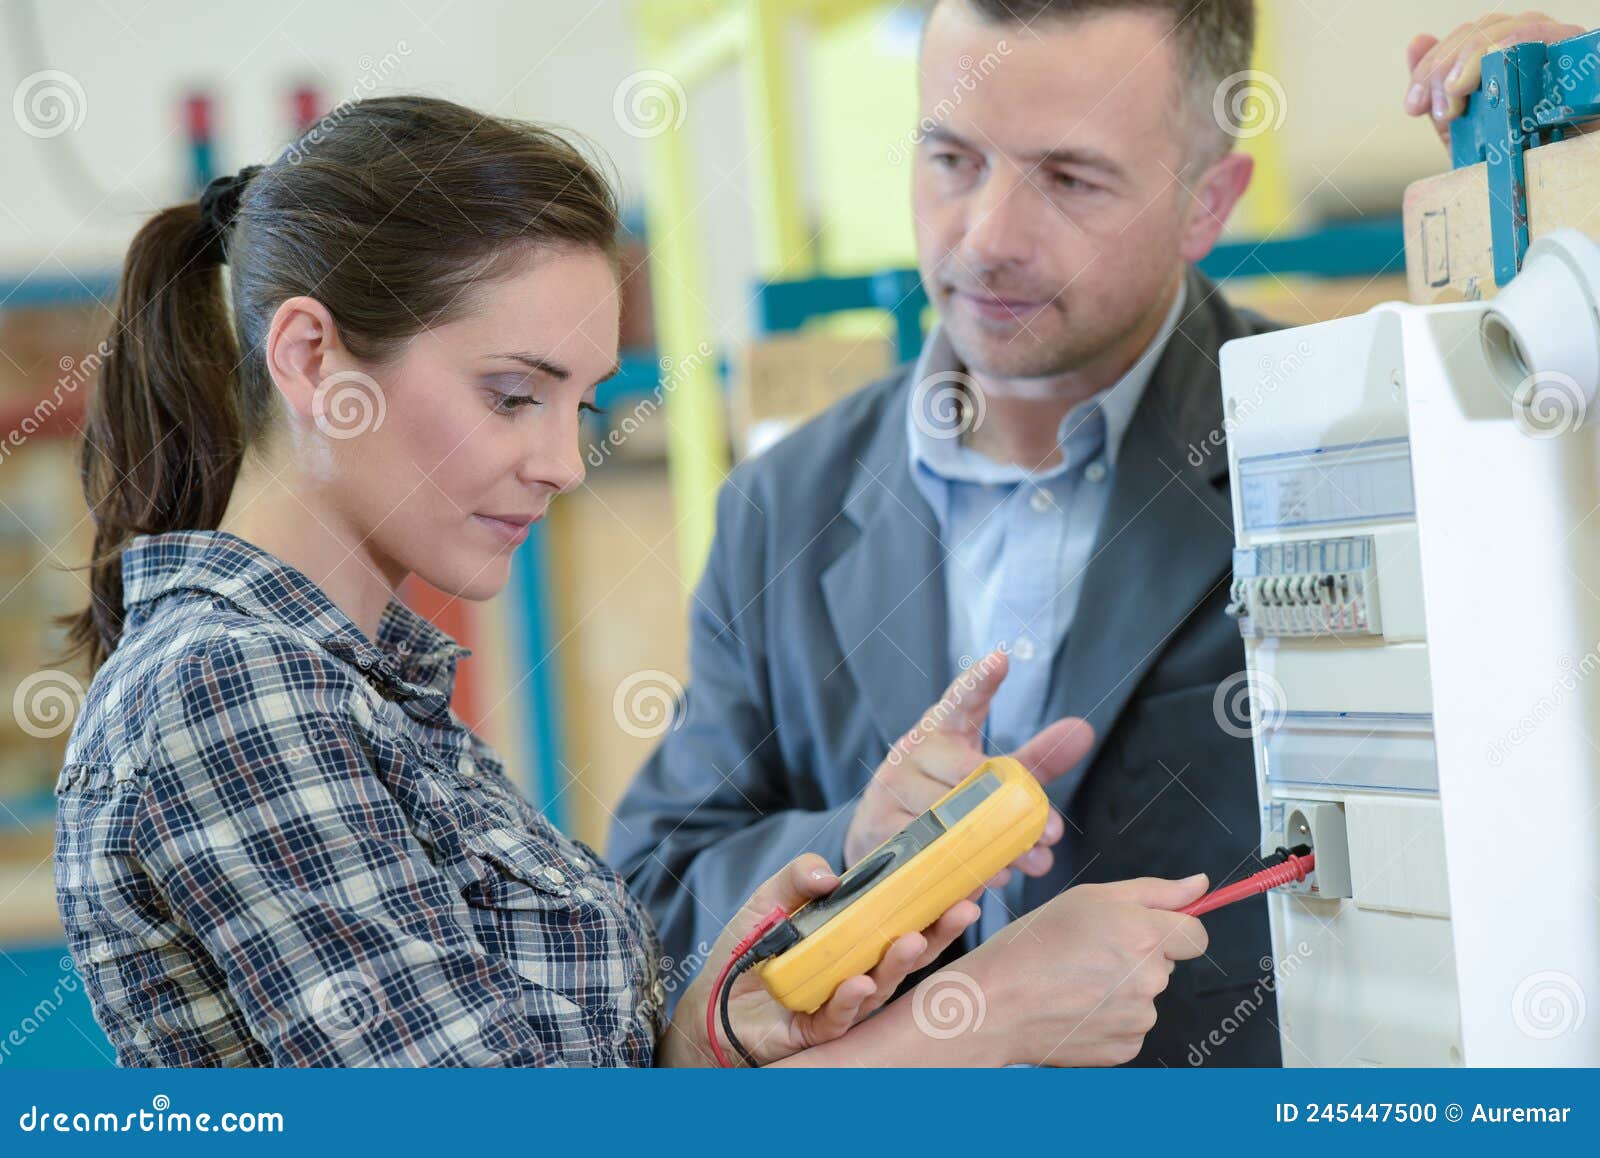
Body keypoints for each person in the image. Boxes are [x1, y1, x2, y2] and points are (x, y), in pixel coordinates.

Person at [53, 94, 1210, 1068]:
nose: (561, 462)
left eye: (582, 404)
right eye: (513, 395)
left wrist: (727, 1019)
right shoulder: (231, 692)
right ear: (312, 360)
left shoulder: (363, 694)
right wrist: (987, 1017)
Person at [611, 0, 1586, 1067]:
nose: (985, 235)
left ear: (1206, 203)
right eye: (949, 158)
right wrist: (854, 848)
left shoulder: (1359, 443)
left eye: (1069, 180)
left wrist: (1569, 183)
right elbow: (655, 892)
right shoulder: (782, 503)